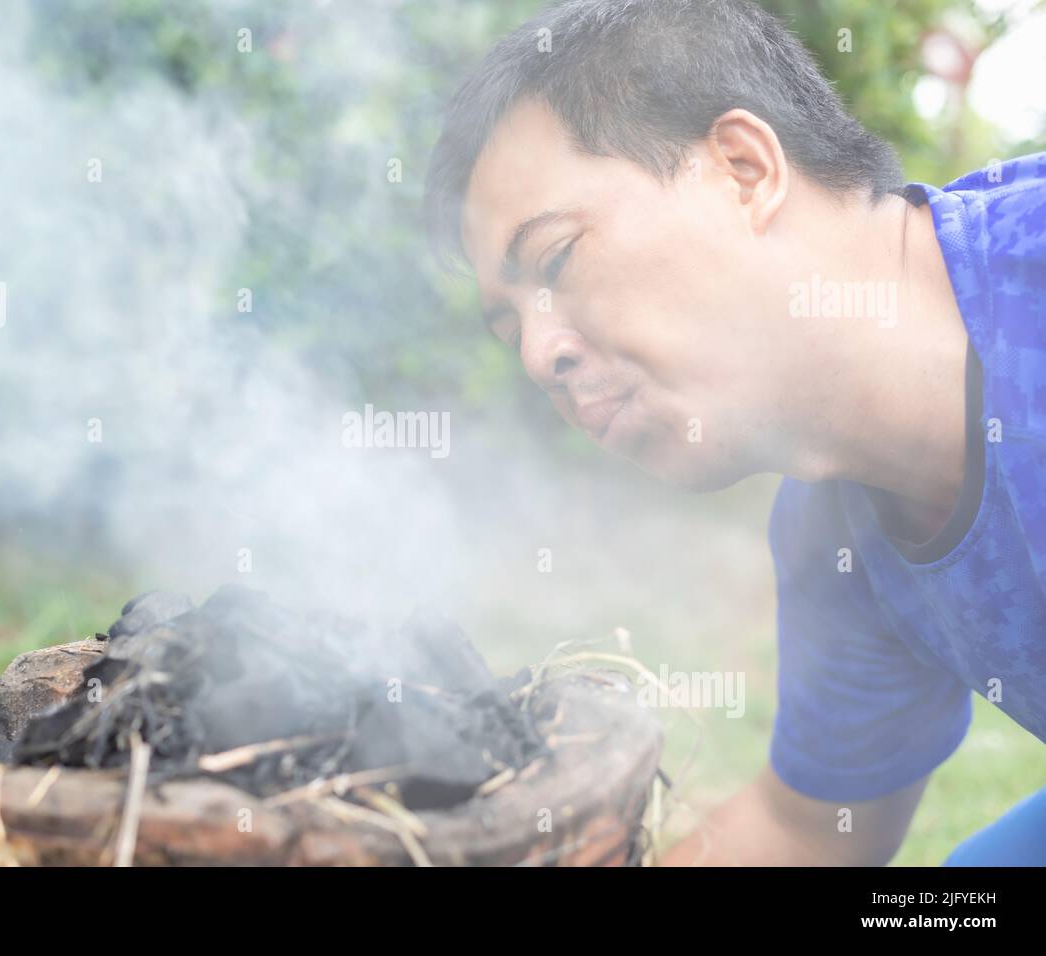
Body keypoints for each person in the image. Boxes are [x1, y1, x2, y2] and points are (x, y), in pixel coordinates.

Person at [423, 0, 1046, 865]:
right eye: (509, 328)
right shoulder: (835, 536)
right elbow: (806, 833)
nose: (538, 355)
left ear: (743, 169)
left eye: (558, 263)